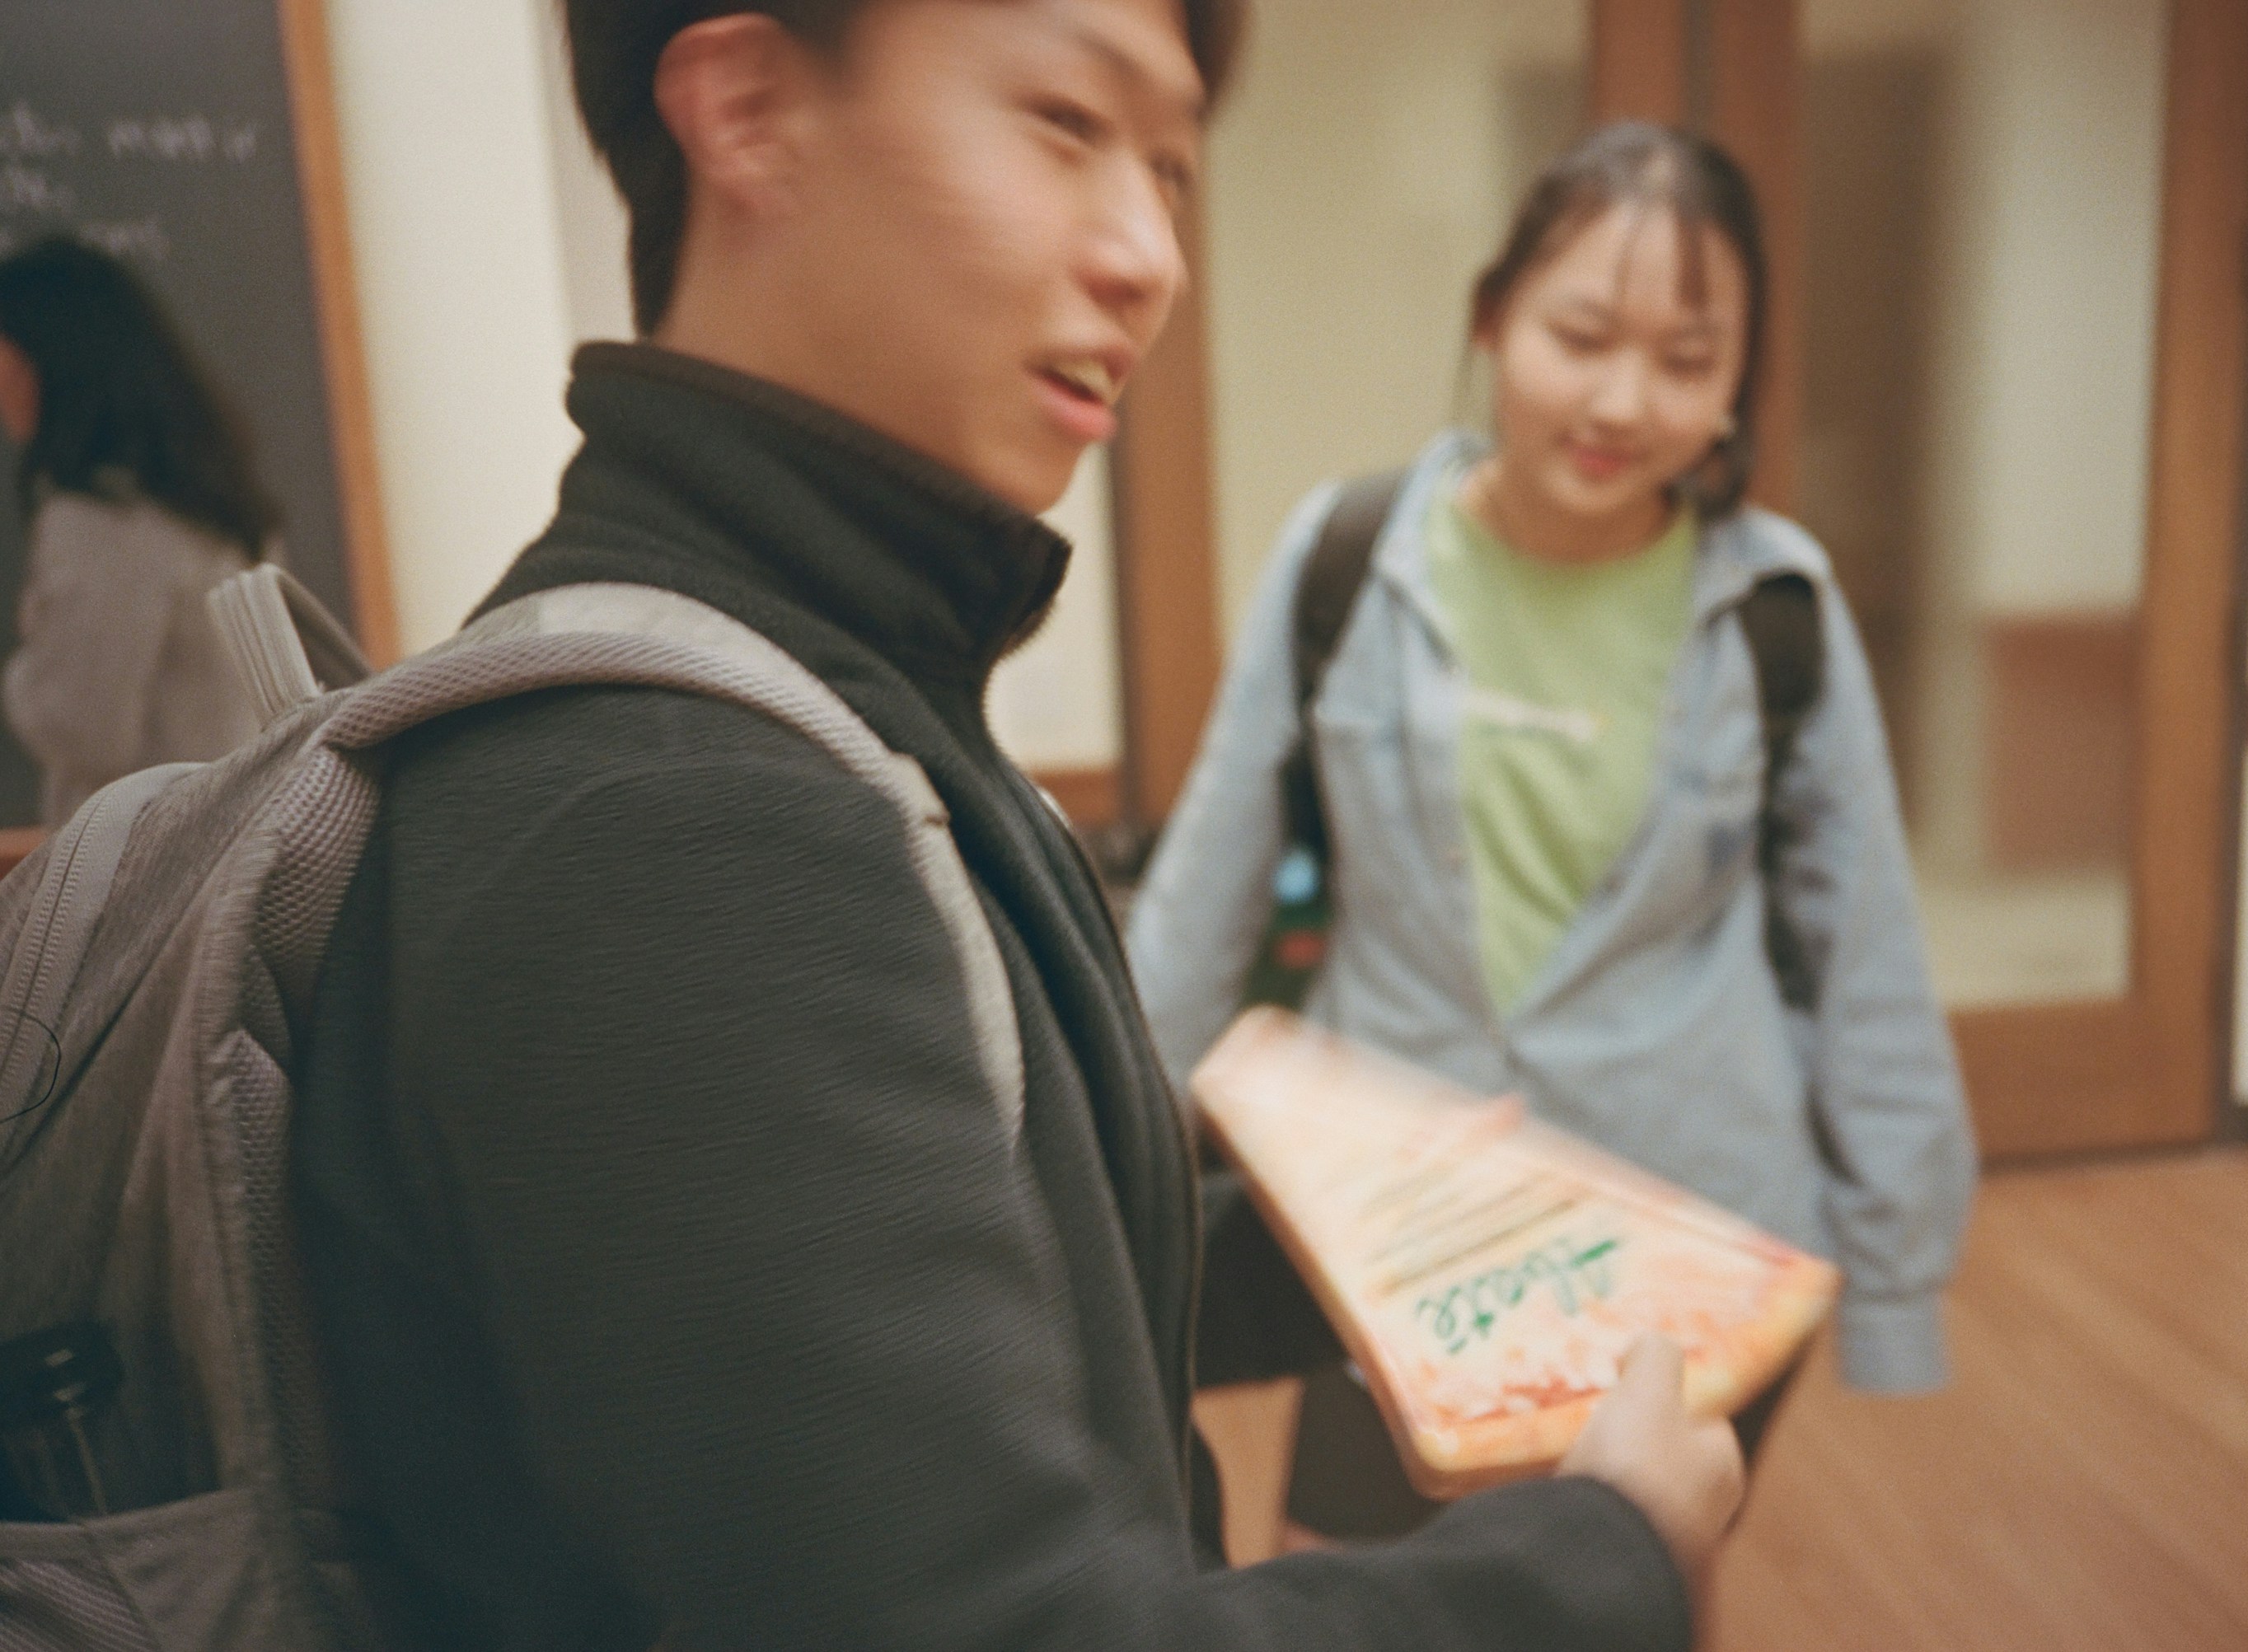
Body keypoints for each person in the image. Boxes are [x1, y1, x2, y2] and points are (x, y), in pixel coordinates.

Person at [290, 6, 1741, 1650]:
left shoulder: (817, 681)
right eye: (1065, 120)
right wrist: (1607, 1556)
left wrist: (1347, 1233)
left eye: (1174, 166)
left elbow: (935, 1280)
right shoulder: (672, 816)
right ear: (750, 107)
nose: (1150, 254)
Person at [1128, 123, 1978, 1502]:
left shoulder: (1775, 606)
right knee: (1355, 1599)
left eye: (1684, 360)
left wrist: (1890, 1285)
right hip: (1400, 1235)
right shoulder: (1345, 555)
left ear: (1732, 387)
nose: (1621, 399)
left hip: (1685, 1233)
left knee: (1618, 1604)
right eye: (1579, 335)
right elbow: (1200, 900)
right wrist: (1096, 1190)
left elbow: (1863, 953)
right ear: (1491, 318)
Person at [0, 237, 270, 826]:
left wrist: (24, 670)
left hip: (149, 874)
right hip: (231, 846)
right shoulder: (207, 503)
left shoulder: (99, 520)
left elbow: (82, 724)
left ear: (47, 358)